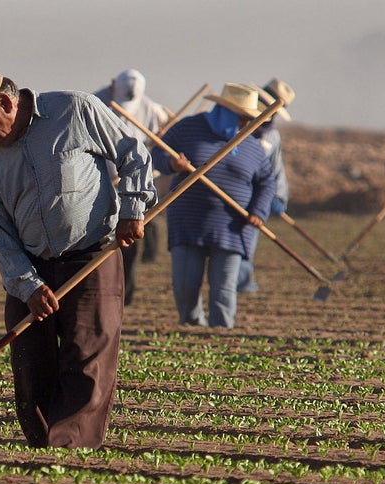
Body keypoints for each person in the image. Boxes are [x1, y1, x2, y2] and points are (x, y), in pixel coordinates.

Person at [0, 70, 155, 449]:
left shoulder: (74, 110)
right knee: (30, 362)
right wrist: (28, 285)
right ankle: (43, 444)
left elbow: (133, 153)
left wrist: (133, 209)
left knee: (86, 355)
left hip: (92, 254)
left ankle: (68, 449)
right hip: (31, 265)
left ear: (7, 103)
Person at [151, 83, 275, 329]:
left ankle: (221, 333)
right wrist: (173, 165)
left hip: (232, 227)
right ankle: (192, 327)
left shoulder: (252, 146)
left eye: (249, 119)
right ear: (226, 111)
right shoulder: (188, 128)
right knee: (185, 285)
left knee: (224, 288)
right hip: (188, 223)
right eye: (242, 117)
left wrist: (259, 212)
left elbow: (266, 182)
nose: (246, 124)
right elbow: (157, 154)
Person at [94, 68, 171, 305]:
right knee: (101, 235)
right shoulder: (95, 103)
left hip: (139, 178)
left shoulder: (152, 108)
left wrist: (164, 133)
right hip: (103, 180)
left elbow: (168, 127)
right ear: (112, 84)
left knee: (132, 232)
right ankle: (101, 291)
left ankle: (125, 293)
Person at [238, 78, 296, 292]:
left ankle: (243, 284)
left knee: (247, 241)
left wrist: (277, 196)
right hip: (232, 191)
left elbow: (275, 168)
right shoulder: (239, 126)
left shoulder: (272, 135)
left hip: (255, 197)